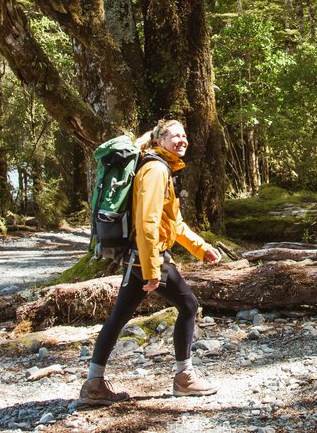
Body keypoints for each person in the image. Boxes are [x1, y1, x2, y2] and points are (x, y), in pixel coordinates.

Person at [80, 118, 223, 404]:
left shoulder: (161, 167)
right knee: (189, 306)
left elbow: (174, 224)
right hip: (148, 256)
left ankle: (93, 383)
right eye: (175, 136)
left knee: (119, 317)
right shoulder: (156, 169)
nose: (182, 140)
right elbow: (147, 222)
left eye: (184, 135)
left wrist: (202, 248)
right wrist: (152, 268)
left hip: (141, 257)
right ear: (159, 140)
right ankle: (185, 377)